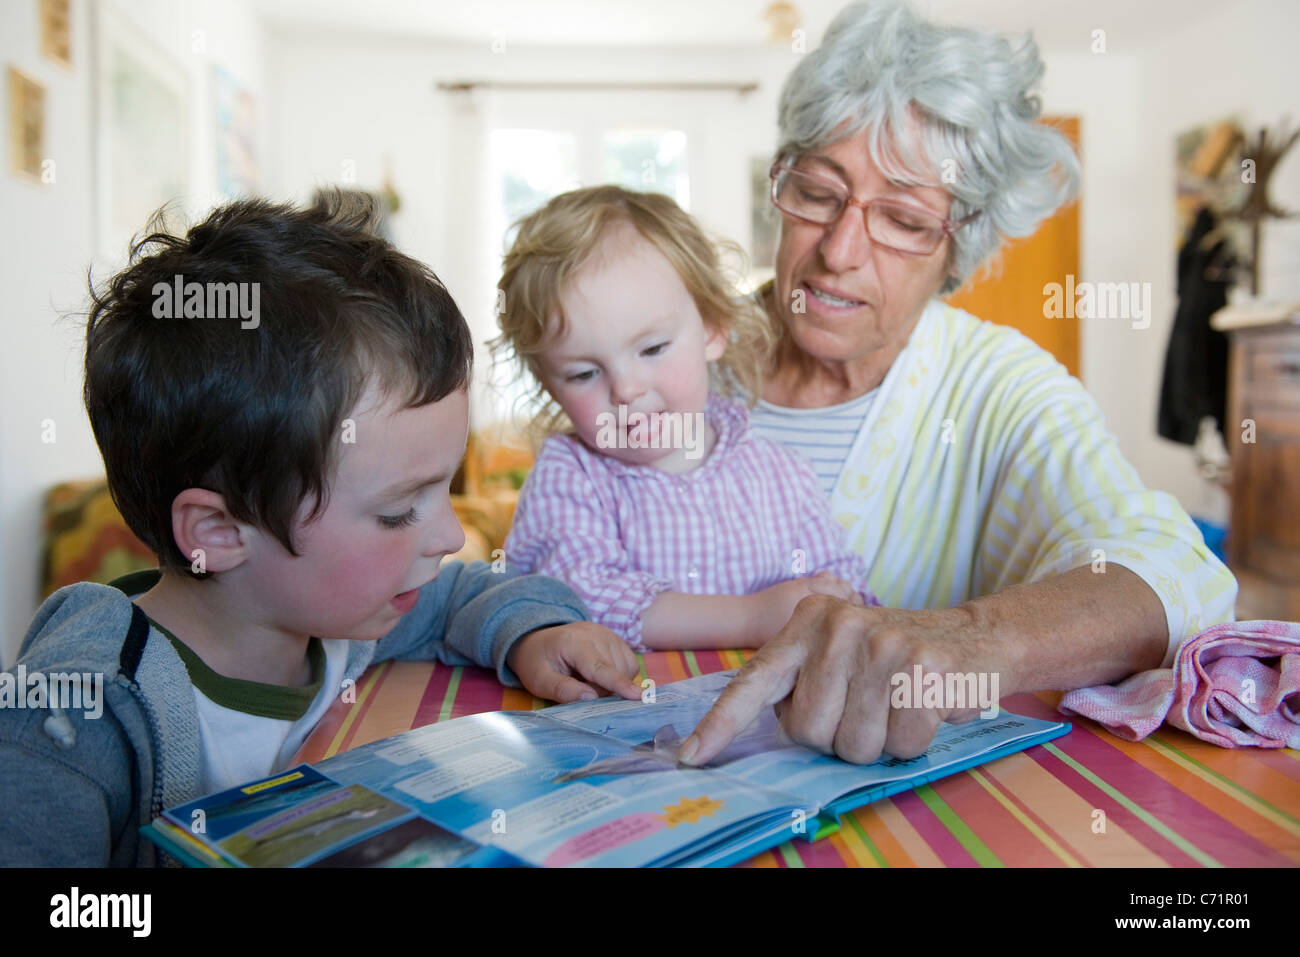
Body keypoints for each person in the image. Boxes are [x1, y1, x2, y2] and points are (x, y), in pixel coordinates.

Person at [0, 193, 640, 866]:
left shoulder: (334, 613)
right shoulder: (75, 717)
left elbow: (460, 594)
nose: (449, 535)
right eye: (399, 510)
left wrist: (534, 633)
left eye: (443, 489)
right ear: (218, 532)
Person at [678, 0, 1237, 767]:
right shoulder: (673, 352)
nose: (840, 250)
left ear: (957, 252)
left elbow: (1175, 573)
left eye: (904, 219)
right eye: (817, 190)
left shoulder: (997, 384)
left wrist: (967, 638)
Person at [494, 185, 877, 651]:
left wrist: (842, 609)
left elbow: (845, 593)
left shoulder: (782, 475)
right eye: (583, 373)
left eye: (652, 348)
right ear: (547, 383)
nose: (626, 388)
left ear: (714, 327)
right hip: (630, 718)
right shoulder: (571, 476)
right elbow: (575, 601)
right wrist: (749, 619)